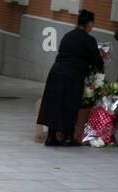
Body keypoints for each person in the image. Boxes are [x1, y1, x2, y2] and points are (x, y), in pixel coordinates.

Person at [37, 9, 104, 146]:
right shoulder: (89, 40)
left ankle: (51, 136)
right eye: (92, 23)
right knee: (69, 104)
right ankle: (68, 137)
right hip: (72, 76)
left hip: (56, 72)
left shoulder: (68, 35)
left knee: (55, 104)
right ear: (89, 24)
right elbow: (97, 61)